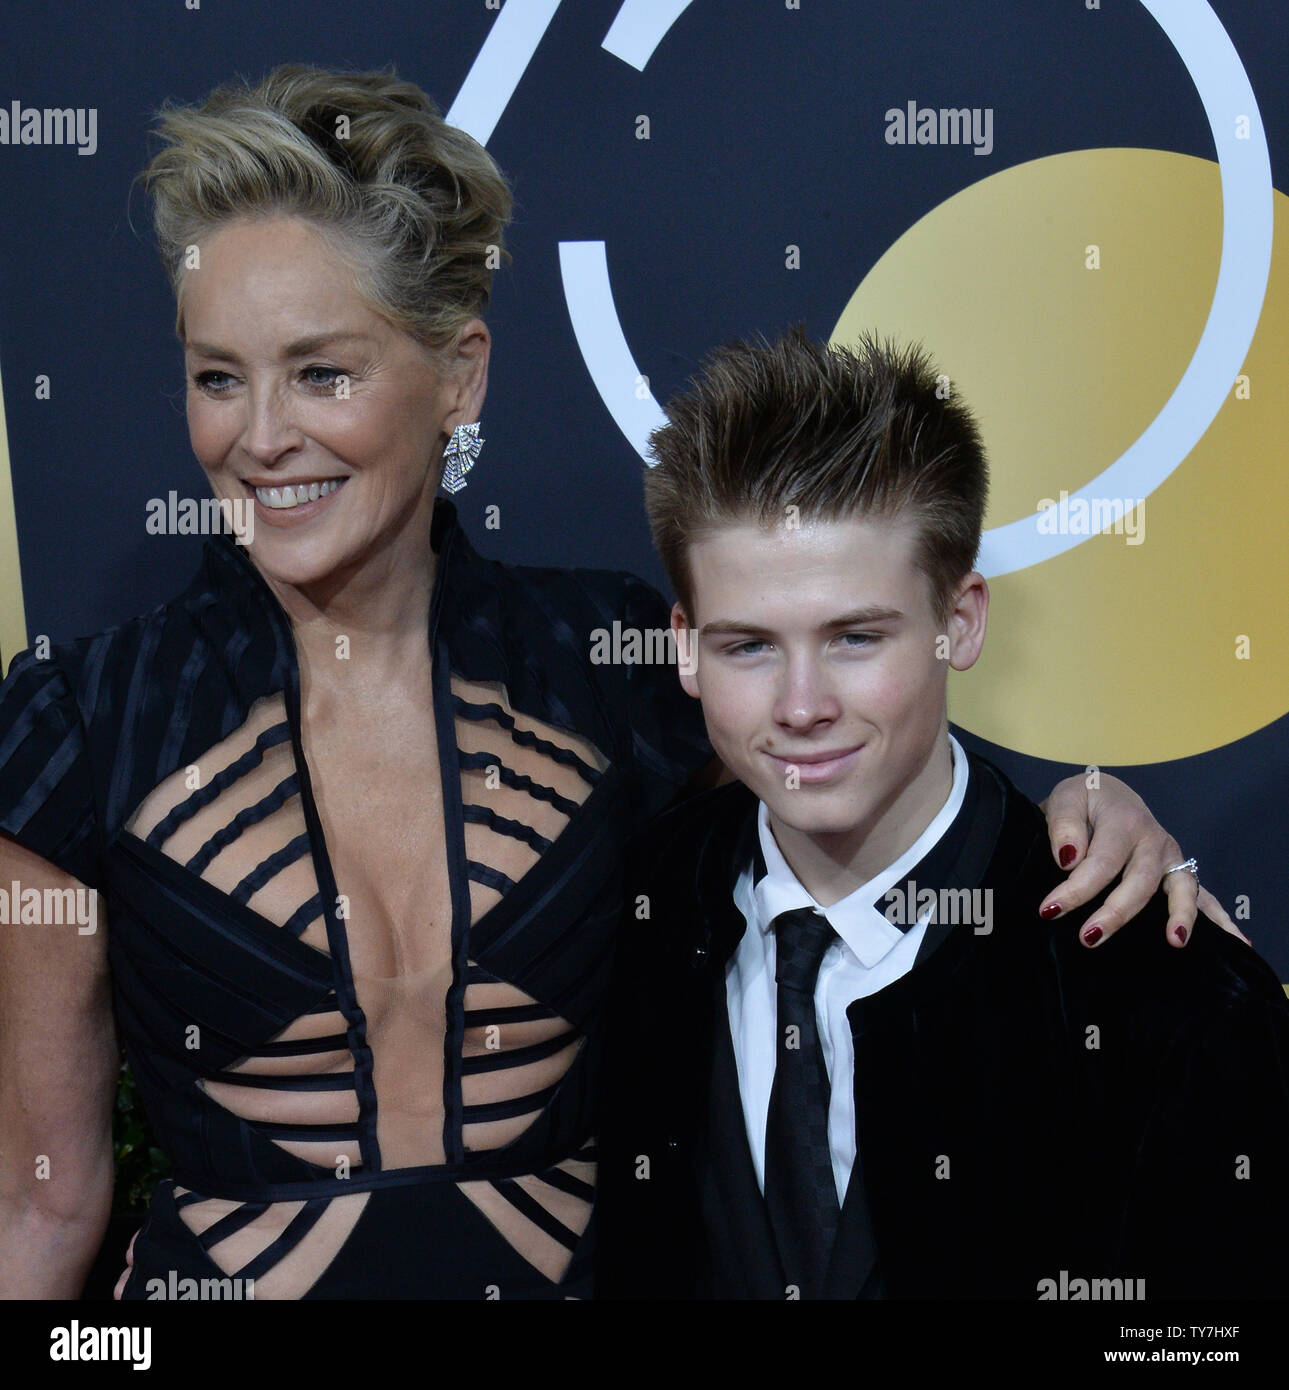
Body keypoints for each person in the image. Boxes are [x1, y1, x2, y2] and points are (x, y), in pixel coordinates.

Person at [0, 66, 1230, 1301]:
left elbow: (839, 798)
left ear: (460, 374)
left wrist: (1079, 823)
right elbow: (42, 1202)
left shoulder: (615, 667)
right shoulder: (83, 723)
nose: (258, 435)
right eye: (218, 377)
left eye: (321, 373)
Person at [595, 327, 1289, 1300]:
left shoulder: (1149, 982)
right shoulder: (627, 912)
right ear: (683, 646)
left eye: (853, 637)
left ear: (956, 623)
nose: (800, 705)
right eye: (747, 646)